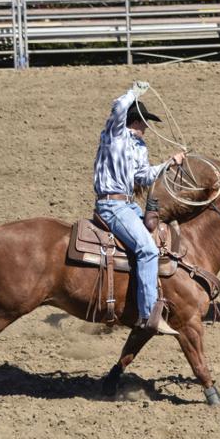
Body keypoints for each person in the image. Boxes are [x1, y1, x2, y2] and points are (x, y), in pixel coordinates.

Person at [93, 81, 185, 335]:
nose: (147, 127)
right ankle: (147, 315)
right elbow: (119, 107)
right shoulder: (115, 134)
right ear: (136, 121)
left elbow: (143, 176)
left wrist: (170, 163)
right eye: (145, 122)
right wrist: (134, 92)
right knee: (146, 249)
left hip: (127, 205)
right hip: (111, 205)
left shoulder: (139, 146)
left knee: (159, 238)